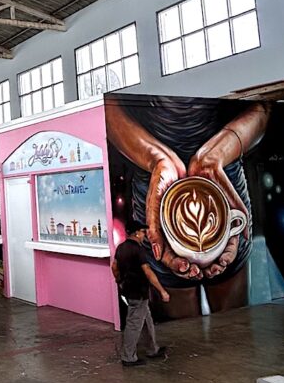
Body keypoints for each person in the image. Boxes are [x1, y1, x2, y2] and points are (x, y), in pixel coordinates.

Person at [106, 98, 270, 318]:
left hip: (223, 187)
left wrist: (216, 155)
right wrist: (156, 158)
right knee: (181, 332)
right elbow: (107, 107)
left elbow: (264, 105)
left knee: (233, 325)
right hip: (156, 197)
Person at [112, 221, 171, 367]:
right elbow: (148, 272)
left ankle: (152, 349)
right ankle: (128, 357)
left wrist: (119, 280)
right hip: (138, 292)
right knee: (134, 324)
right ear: (137, 233)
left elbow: (114, 267)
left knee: (146, 319)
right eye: (143, 232)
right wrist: (162, 291)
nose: (145, 235)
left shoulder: (121, 247)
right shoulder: (138, 250)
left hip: (130, 290)